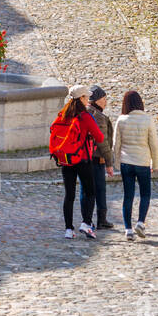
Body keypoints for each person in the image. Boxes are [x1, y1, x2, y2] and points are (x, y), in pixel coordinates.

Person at [49, 84, 106, 240]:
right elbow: (100, 137)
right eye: (86, 97)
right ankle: (86, 224)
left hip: (66, 159)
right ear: (81, 98)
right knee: (90, 191)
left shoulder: (63, 114)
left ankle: (68, 229)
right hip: (82, 159)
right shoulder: (85, 116)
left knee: (69, 195)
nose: (88, 100)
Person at [112, 90, 158, 241]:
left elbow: (116, 145)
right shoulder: (147, 120)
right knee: (145, 194)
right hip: (142, 162)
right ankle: (140, 222)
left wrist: (117, 164)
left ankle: (127, 229)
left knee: (128, 196)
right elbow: (153, 144)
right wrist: (155, 163)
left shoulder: (121, 120)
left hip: (127, 162)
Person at [81, 85, 115, 229]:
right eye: (104, 99)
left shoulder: (82, 112)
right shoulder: (98, 117)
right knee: (99, 190)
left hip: (82, 159)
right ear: (97, 100)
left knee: (85, 189)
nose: (106, 102)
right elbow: (103, 143)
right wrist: (109, 162)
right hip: (95, 159)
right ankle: (101, 219)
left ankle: (86, 219)